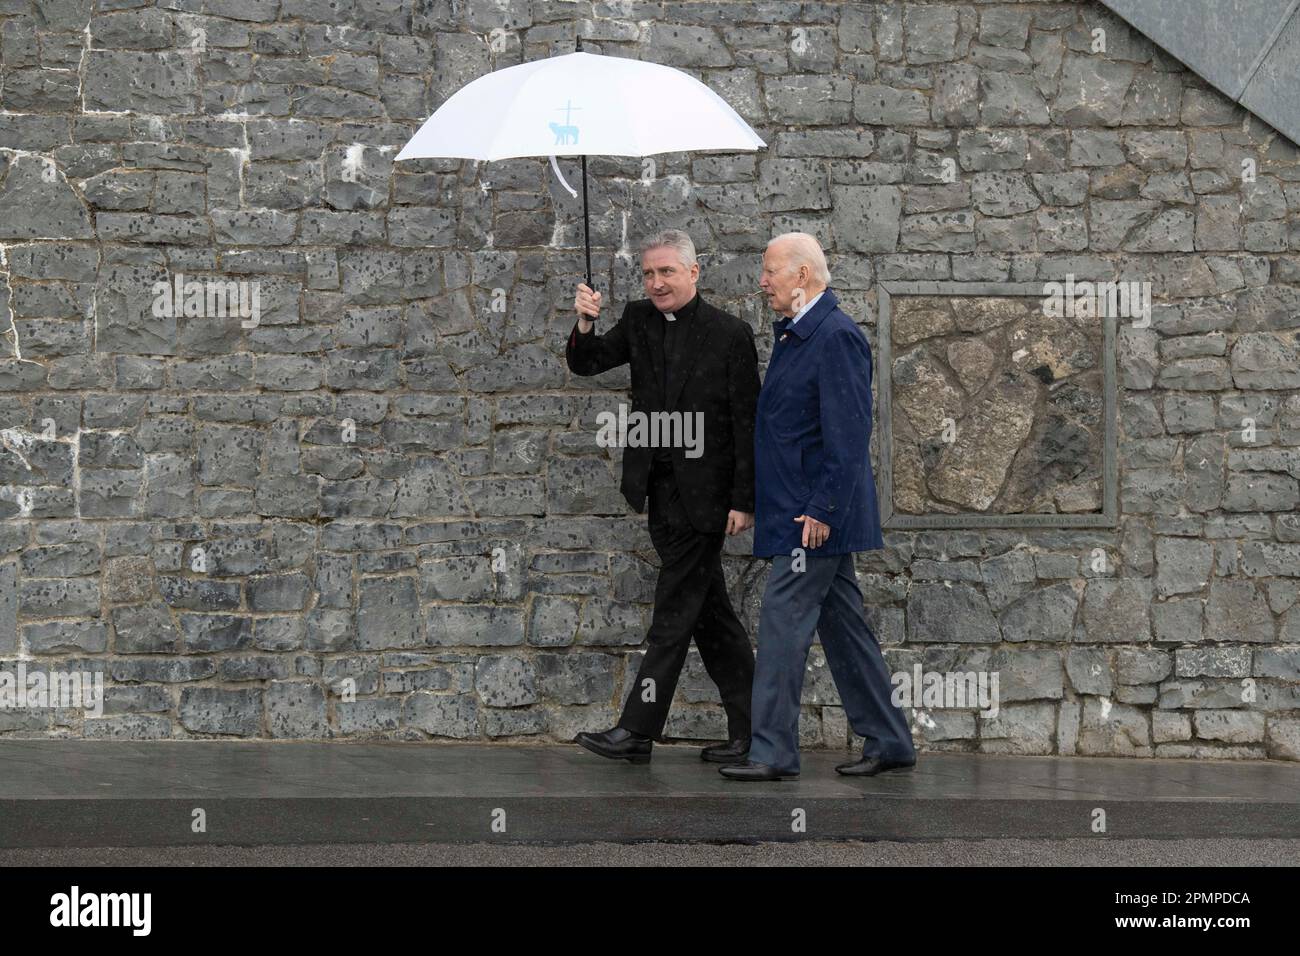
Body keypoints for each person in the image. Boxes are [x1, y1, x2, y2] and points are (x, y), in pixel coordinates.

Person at [721, 232, 916, 781]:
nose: (763, 282)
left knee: (782, 625)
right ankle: (890, 740)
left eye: (770, 271)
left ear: (801, 275)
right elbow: (787, 432)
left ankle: (772, 751)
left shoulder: (835, 337)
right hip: (798, 513)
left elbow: (850, 436)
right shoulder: (800, 334)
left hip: (814, 521)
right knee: (844, 627)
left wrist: (824, 510)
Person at [566, 229, 760, 765]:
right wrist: (586, 321)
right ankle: (755, 731)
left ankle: (636, 731)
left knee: (674, 614)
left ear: (693, 273)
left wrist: (744, 501)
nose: (656, 283)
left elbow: (747, 424)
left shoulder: (731, 334)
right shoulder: (637, 320)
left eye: (666, 272)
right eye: (649, 274)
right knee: (711, 616)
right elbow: (586, 363)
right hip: (657, 493)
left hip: (708, 502)